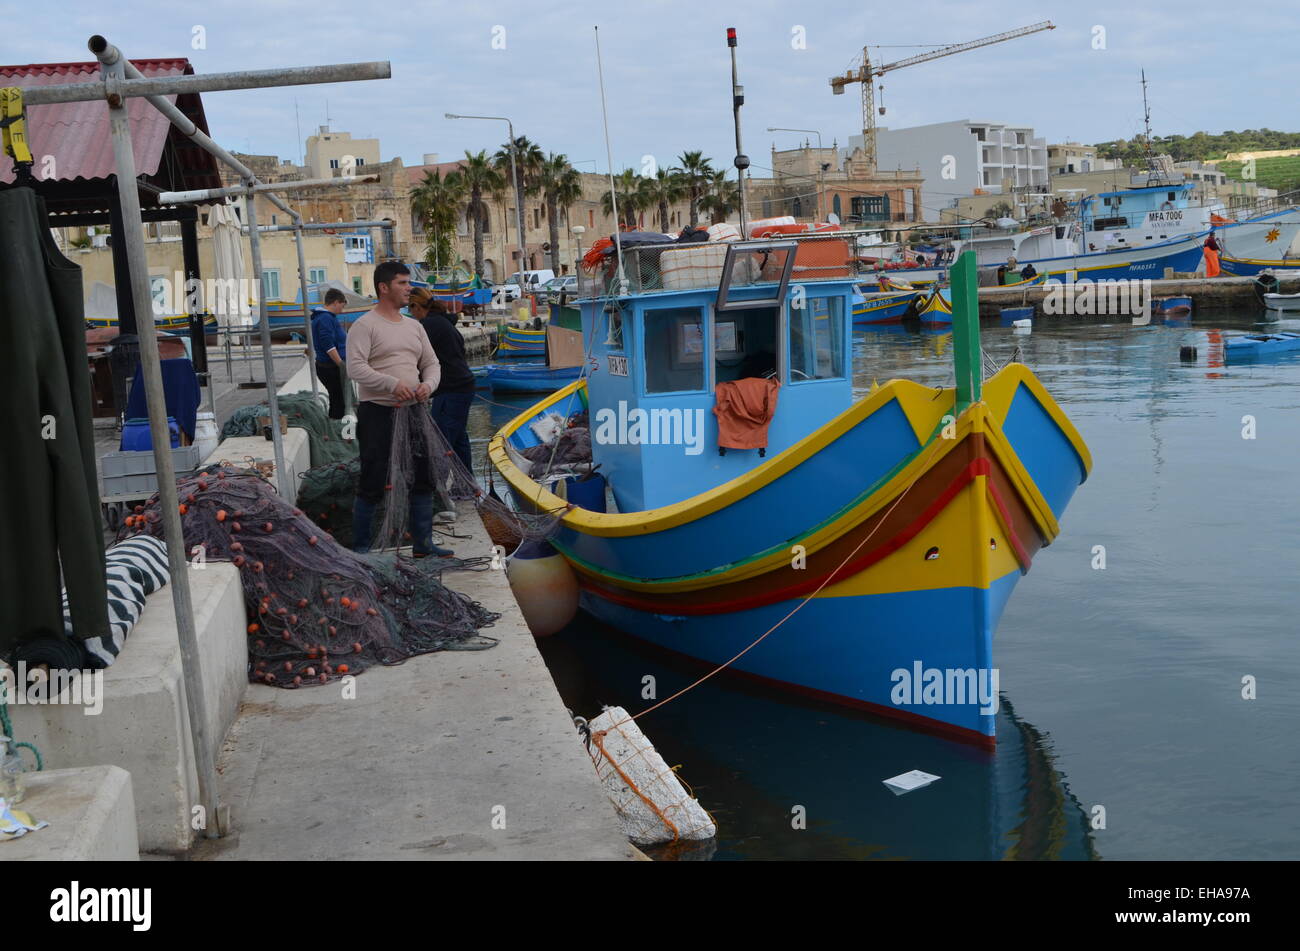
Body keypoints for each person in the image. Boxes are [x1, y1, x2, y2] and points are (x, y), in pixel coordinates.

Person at [346, 261, 451, 557]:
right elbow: (355, 369)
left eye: (409, 283)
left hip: (415, 411)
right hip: (378, 411)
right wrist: (392, 384)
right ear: (384, 287)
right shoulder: (364, 326)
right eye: (403, 283)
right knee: (373, 478)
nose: (409, 289)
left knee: (424, 474)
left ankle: (423, 544)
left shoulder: (414, 326)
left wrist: (428, 386)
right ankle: (362, 549)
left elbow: (432, 364)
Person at [410, 288, 476, 476]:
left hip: (451, 389)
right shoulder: (443, 322)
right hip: (463, 387)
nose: (411, 314)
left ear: (416, 306)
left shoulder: (429, 326)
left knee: (442, 440)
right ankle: (466, 482)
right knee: (459, 438)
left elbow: (416, 355)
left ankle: (441, 485)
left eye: (410, 308)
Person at [310, 288, 349, 419]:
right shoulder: (325, 319)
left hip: (330, 367)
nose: (342, 310)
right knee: (339, 401)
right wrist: (341, 365)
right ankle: (336, 426)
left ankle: (336, 425)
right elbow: (328, 345)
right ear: (336, 302)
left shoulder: (326, 318)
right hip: (330, 368)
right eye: (342, 306)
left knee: (338, 399)